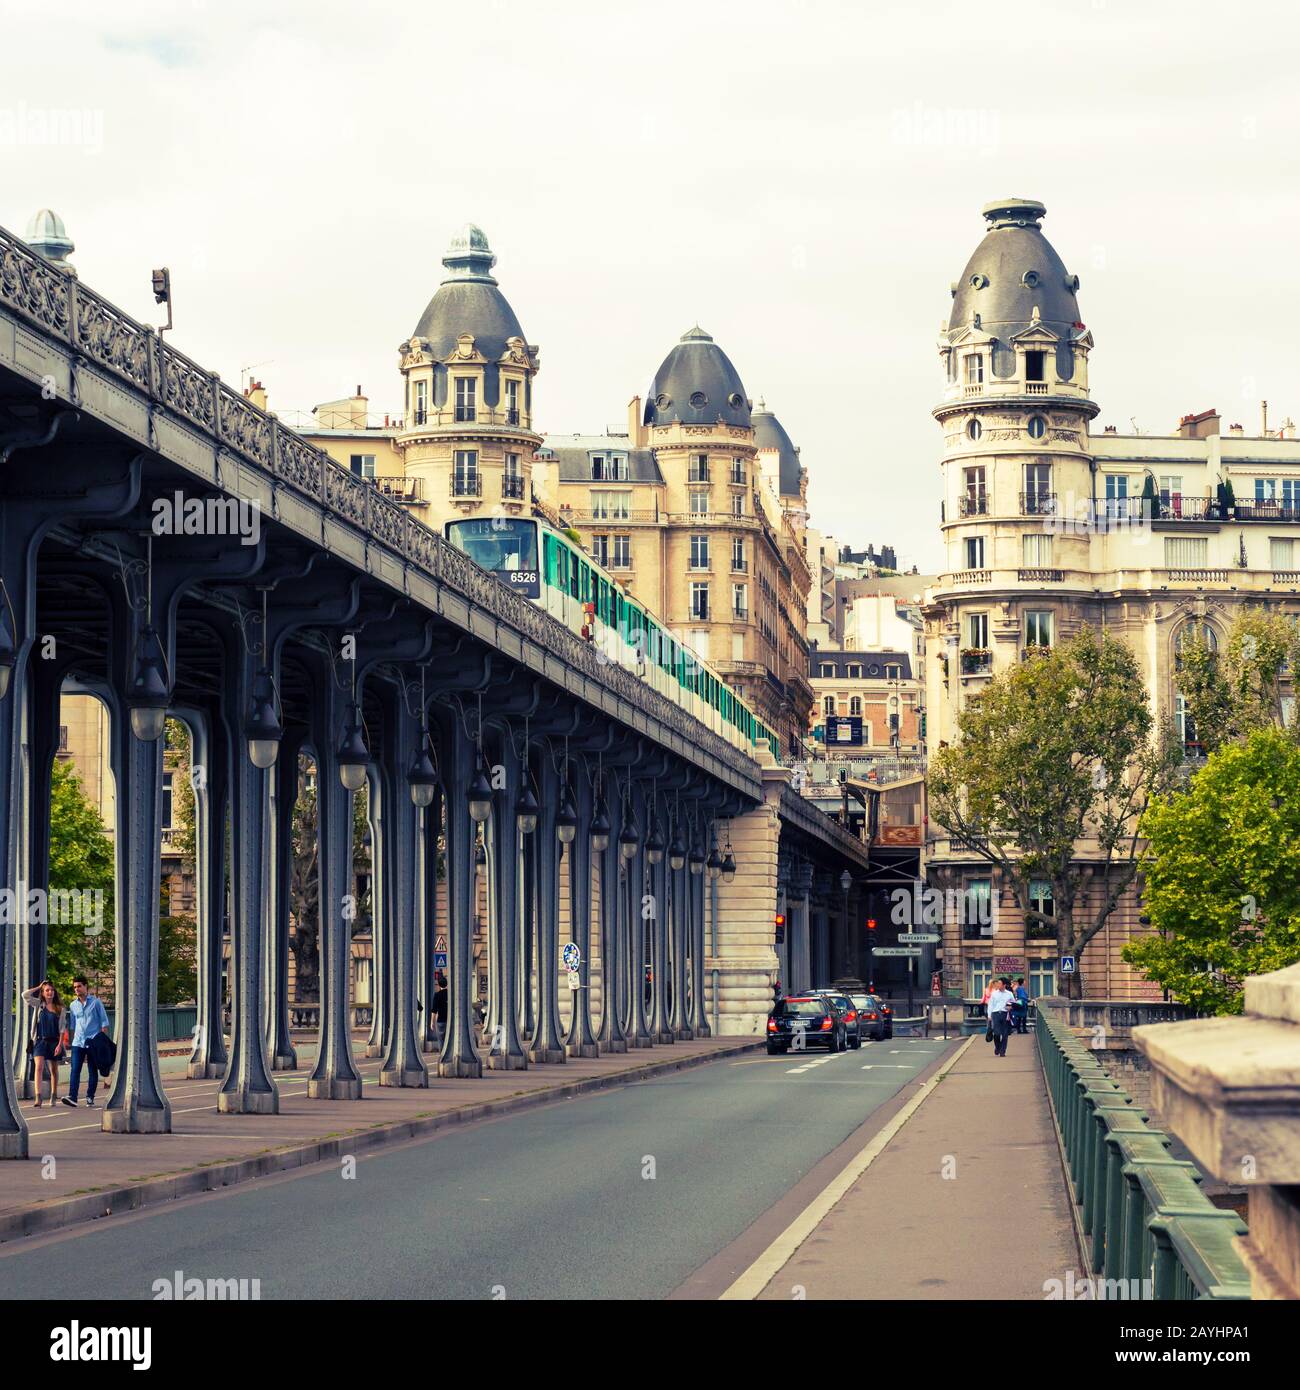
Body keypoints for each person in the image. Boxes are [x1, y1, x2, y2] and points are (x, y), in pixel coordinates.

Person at [62, 976, 110, 1108]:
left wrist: (103, 1044)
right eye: (75, 987)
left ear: (85, 986)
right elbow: (72, 1025)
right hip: (78, 1042)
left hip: (94, 1042)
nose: (76, 989)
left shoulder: (96, 1003)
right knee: (75, 1070)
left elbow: (105, 1023)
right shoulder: (73, 1005)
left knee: (92, 1070)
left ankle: (90, 1096)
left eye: (79, 986)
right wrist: (71, 1043)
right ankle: (73, 1097)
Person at [23, 981, 66, 1107]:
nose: (50, 992)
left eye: (51, 990)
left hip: (54, 1041)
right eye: (47, 990)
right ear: (43, 992)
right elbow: (24, 995)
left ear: (54, 992)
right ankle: (38, 1097)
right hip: (40, 1041)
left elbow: (62, 1028)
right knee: (39, 1067)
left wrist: (59, 1045)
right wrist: (38, 986)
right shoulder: (38, 1005)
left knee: (54, 1069)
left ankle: (53, 1095)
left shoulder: (60, 1008)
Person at [987, 976, 1016, 1058]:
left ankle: (1002, 1051)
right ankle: (997, 1047)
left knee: (1005, 1034)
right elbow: (990, 1005)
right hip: (995, 1014)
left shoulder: (1009, 994)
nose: (997, 985)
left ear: (1004, 985)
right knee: (996, 1033)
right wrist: (989, 1015)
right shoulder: (994, 993)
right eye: (997, 983)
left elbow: (1013, 1003)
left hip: (1005, 1014)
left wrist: (1011, 1007)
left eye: (999, 983)